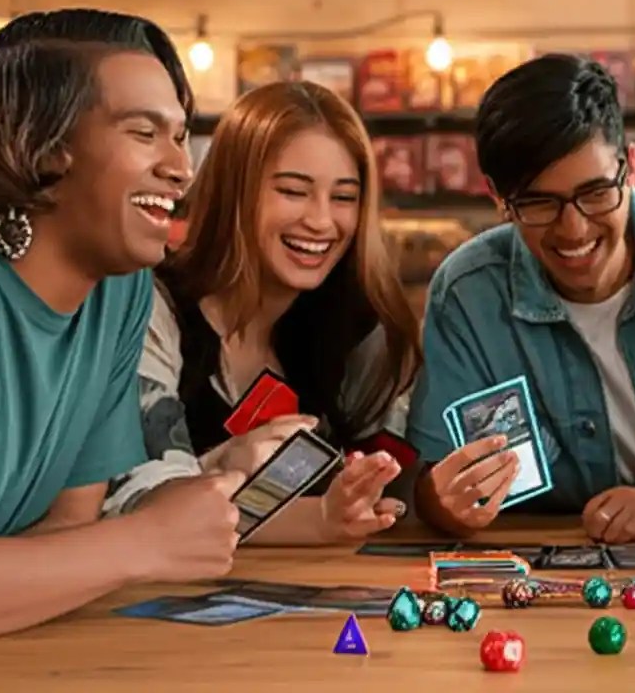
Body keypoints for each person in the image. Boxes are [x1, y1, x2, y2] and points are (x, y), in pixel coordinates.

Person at [0, 9, 244, 650]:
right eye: (143, 132)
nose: (181, 168)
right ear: (42, 147)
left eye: (181, 136)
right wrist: (148, 540)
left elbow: (67, 528)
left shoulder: (120, 292)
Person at [407, 53, 635, 543]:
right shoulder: (467, 294)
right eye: (539, 203)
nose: (575, 229)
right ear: (498, 198)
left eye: (595, 193)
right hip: (542, 549)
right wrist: (449, 504)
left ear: (631, 167)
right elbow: (431, 485)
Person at [101, 81, 423, 545]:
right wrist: (226, 462)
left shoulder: (356, 332)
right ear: (235, 191)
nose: (321, 220)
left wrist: (341, 513)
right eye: (294, 191)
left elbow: (379, 495)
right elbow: (139, 504)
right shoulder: (152, 306)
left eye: (344, 197)